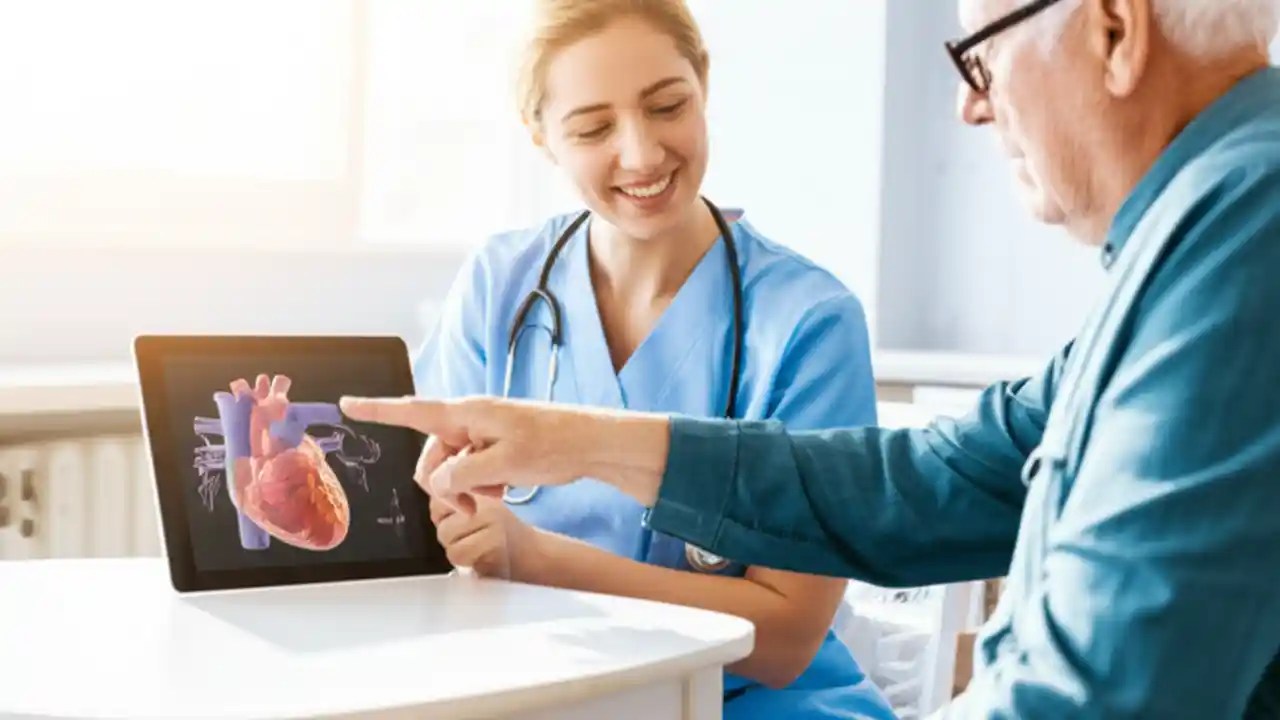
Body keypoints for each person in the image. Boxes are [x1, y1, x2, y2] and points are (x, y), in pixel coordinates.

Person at [344, 0, 1280, 716]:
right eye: (590, 125)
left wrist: (539, 547)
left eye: (981, 57)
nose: (970, 106)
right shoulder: (1191, 241)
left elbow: (1105, 689)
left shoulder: (1251, 237)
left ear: (1116, 29)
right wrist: (585, 440)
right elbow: (934, 479)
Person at [407, 1, 895, 717]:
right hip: (542, 694)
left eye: (668, 105)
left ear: (703, 85)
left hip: (751, 704)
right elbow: (426, 532)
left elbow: (787, 637)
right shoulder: (499, 286)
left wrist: (534, 560)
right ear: (541, 136)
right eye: (593, 127)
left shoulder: (808, 323)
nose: (641, 154)